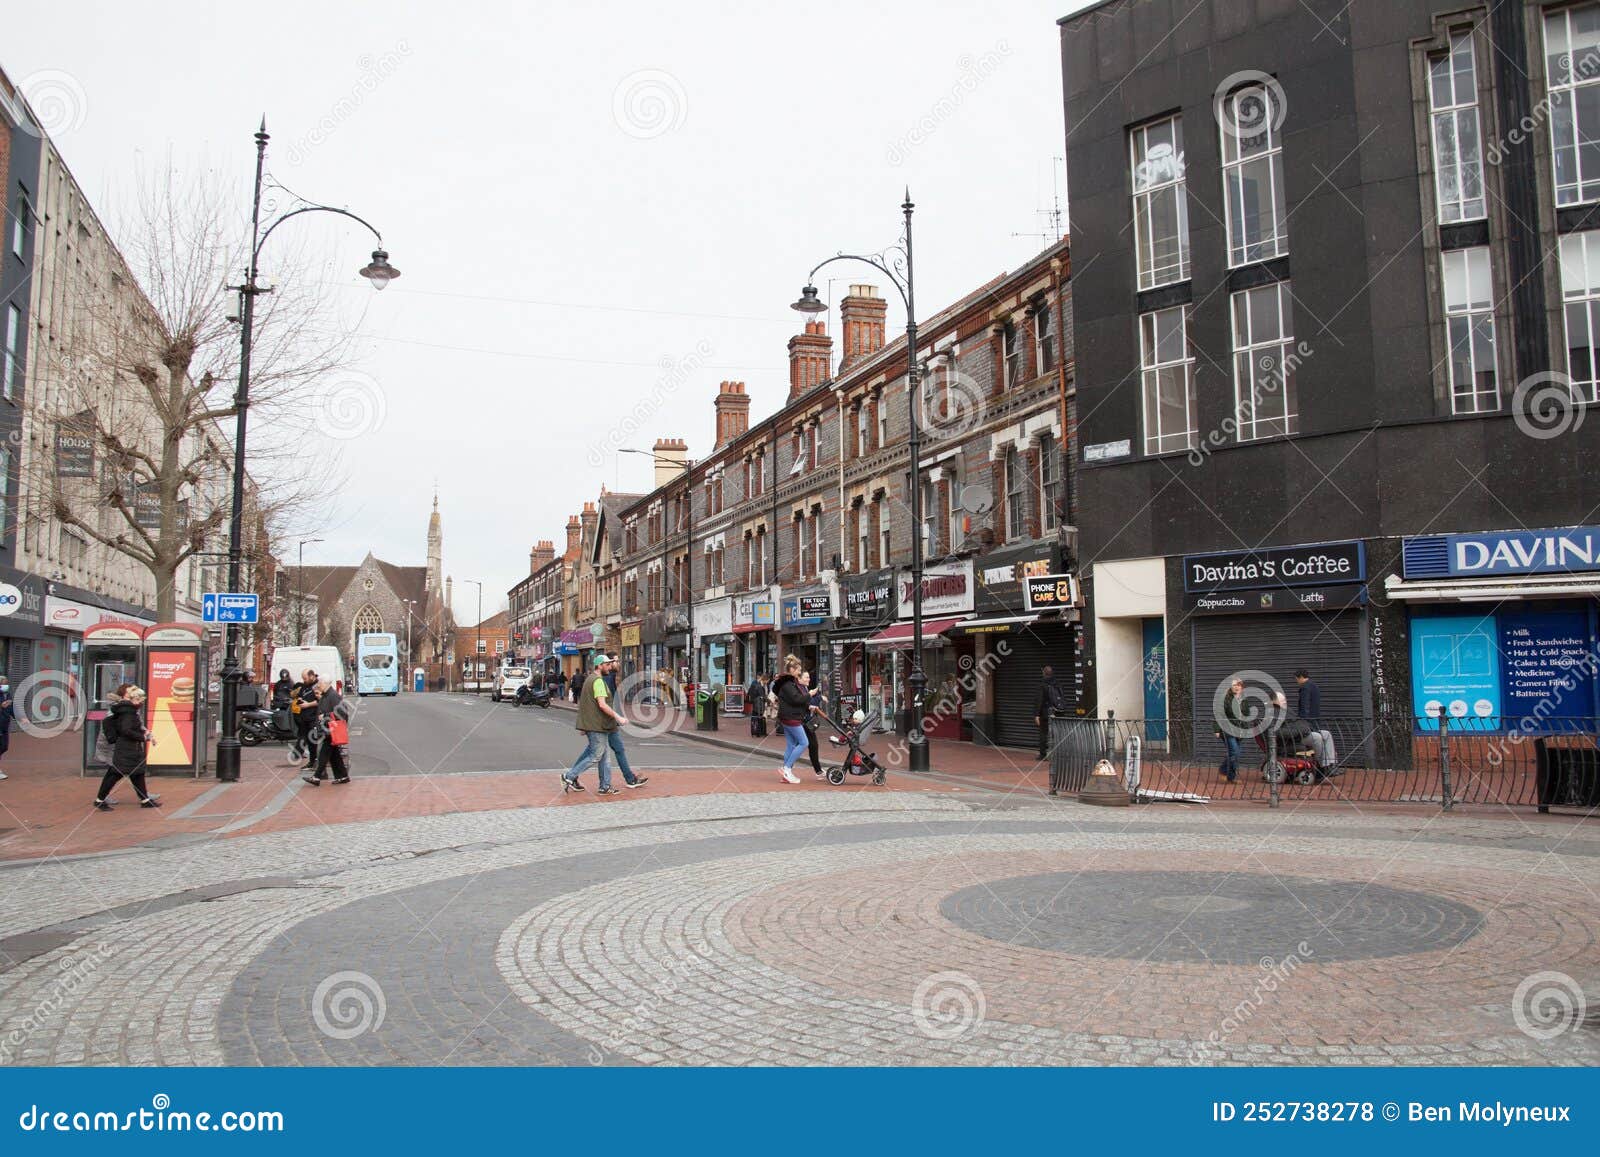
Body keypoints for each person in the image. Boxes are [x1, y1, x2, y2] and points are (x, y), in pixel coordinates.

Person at [563, 655, 627, 794]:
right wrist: (618, 717)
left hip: (595, 724)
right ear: (600, 665)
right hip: (598, 725)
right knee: (596, 755)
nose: (609, 667)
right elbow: (602, 705)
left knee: (604, 757)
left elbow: (586, 704)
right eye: (607, 664)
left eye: (610, 664)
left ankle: (605, 786)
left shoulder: (589, 680)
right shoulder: (598, 681)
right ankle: (569, 776)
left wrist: (584, 725)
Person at [93, 685, 159, 810]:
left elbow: (136, 725)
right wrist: (143, 737)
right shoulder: (124, 710)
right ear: (126, 696)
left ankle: (144, 799)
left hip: (126, 747)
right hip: (117, 747)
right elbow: (124, 730)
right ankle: (101, 799)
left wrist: (145, 733)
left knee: (135, 772)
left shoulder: (128, 709)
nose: (141, 701)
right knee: (116, 772)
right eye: (138, 698)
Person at [601, 658, 648, 789]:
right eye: (616, 660)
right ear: (609, 664)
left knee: (617, 749)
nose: (619, 663)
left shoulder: (610, 677)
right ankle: (570, 776)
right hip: (607, 722)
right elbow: (605, 703)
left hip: (610, 721)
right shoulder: (606, 678)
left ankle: (630, 779)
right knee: (594, 753)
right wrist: (617, 717)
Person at [1269, 690, 1338, 772]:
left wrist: (1307, 728)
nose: (1284, 702)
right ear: (1274, 701)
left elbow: (1299, 722)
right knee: (1317, 738)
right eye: (1281, 700)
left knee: (1326, 734)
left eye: (1284, 700)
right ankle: (1321, 767)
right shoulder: (1272, 714)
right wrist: (1298, 731)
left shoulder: (1287, 710)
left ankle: (1330, 764)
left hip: (1303, 733)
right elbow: (1277, 732)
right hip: (1294, 740)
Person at [300, 678, 351, 786]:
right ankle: (343, 776)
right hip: (328, 728)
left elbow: (342, 712)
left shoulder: (333, 696)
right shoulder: (327, 695)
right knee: (334, 755)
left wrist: (326, 716)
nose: (318, 686)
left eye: (320, 684)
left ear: (325, 684)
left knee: (324, 752)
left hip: (332, 729)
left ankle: (317, 776)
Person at [771, 655, 812, 784]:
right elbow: (796, 699)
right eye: (798, 670)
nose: (800, 672)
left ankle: (785, 774)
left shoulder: (786, 683)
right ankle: (787, 768)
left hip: (786, 717)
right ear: (792, 670)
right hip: (791, 718)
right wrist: (809, 695)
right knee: (804, 742)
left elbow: (793, 699)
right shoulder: (788, 684)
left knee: (791, 745)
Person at [289, 669, 320, 767]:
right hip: (304, 718)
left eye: (305, 678)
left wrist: (308, 705)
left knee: (313, 741)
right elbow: (298, 695)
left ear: (311, 676)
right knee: (304, 738)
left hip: (313, 718)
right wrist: (299, 699)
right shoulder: (304, 686)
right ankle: (311, 762)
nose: (304, 680)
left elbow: (320, 700)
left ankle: (315, 762)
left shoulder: (318, 685)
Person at [1216, 678, 1245, 783]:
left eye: (1239, 685)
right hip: (1228, 730)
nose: (1237, 687)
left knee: (1234, 754)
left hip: (1240, 731)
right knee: (1235, 752)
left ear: (1242, 687)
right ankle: (1224, 771)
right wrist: (1216, 729)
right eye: (1234, 685)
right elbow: (1218, 713)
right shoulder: (1225, 699)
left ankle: (1230, 777)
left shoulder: (1243, 699)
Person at [1035, 665, 1066, 761]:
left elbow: (1039, 700)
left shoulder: (1043, 684)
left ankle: (1043, 754)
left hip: (1046, 713)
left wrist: (1036, 714)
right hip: (1057, 712)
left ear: (1044, 673)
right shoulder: (1057, 683)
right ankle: (1058, 753)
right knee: (1056, 733)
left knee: (1043, 733)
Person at [800, 670, 827, 778]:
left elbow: (809, 703)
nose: (809, 679)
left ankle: (818, 770)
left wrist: (814, 695)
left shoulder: (804, 689)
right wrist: (819, 698)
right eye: (806, 677)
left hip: (806, 722)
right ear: (800, 679)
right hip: (803, 722)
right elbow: (807, 703)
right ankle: (787, 768)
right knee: (807, 745)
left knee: (813, 745)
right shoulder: (801, 689)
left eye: (808, 677)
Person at [746, 672, 769, 738]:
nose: (767, 682)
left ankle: (755, 731)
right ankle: (759, 732)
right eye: (767, 681)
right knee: (759, 717)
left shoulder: (756, 684)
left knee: (755, 717)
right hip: (758, 705)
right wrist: (769, 701)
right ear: (765, 680)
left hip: (755, 704)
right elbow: (762, 696)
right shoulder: (759, 686)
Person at [0, 678, 12, 780]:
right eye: (3, 684)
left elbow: (11, 709)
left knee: (4, 747)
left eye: (6, 684)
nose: (5, 685)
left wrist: (21, 719)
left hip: (5, 725)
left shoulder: (8, 695)